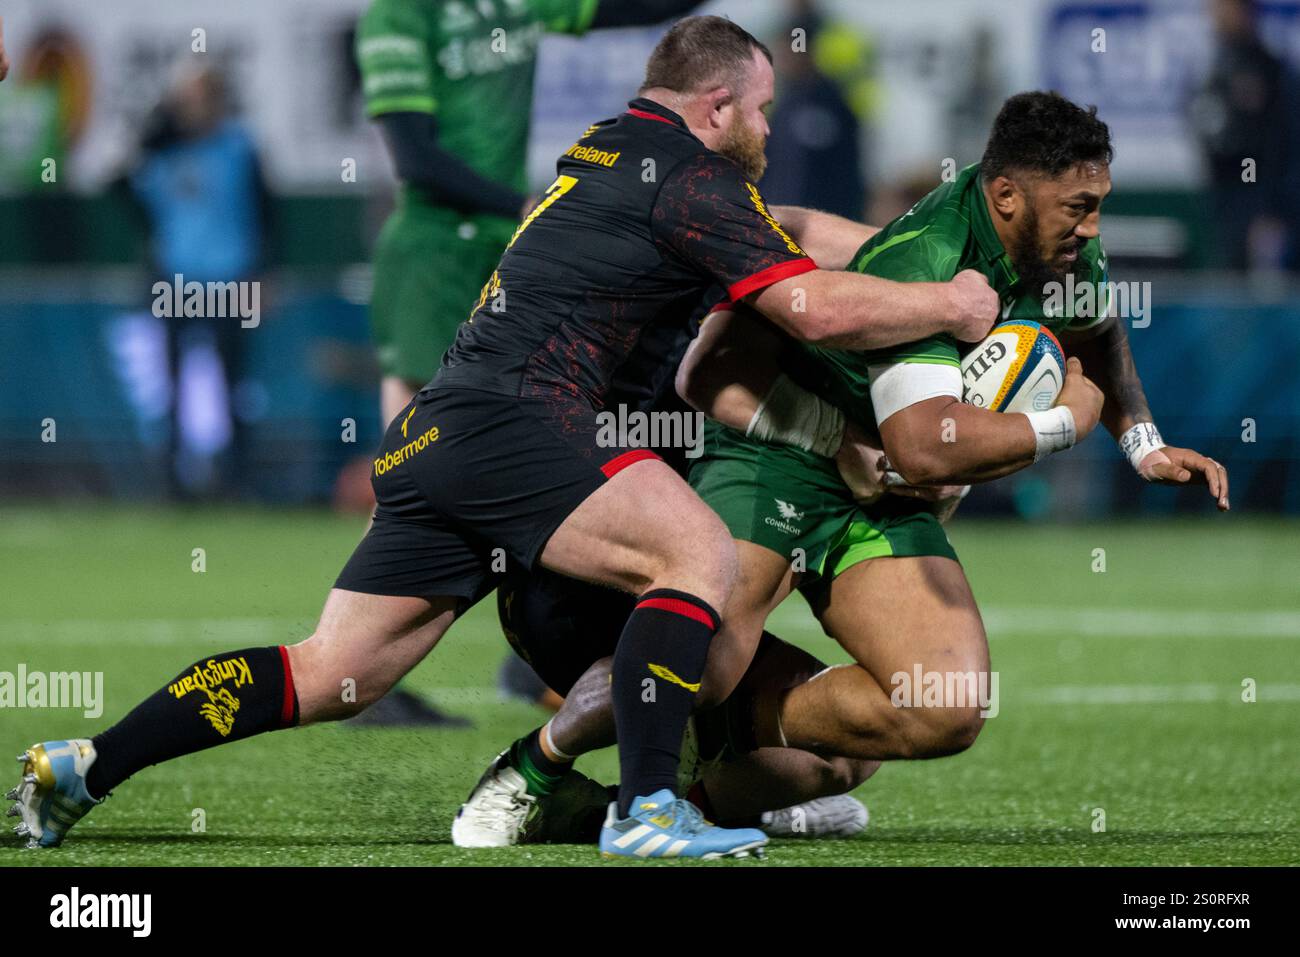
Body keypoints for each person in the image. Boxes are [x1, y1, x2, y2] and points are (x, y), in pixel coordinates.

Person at [10, 16, 996, 861]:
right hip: (525, 419)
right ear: (716, 108)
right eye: (764, 109)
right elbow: (812, 309)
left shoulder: (614, 151)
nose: (771, 129)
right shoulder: (691, 173)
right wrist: (949, 301)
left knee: (327, 671)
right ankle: (649, 809)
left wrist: (902, 247)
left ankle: (89, 765)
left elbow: (784, 229)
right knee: (695, 553)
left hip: (442, 432)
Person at [455, 91, 1231, 846]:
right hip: (783, 458)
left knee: (946, 705)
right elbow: (926, 449)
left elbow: (1098, 328)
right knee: (707, 657)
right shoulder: (927, 256)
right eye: (1078, 208)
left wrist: (1143, 441)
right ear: (1005, 196)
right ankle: (534, 765)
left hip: (878, 484)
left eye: (1096, 203)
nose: (1092, 227)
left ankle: (709, 774)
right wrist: (1069, 420)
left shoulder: (1058, 239)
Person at [353, 0, 704, 725]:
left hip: (507, 251)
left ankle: (539, 648)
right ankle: (359, 672)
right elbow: (414, 157)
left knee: (546, 443)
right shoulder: (397, 15)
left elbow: (639, 10)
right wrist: (525, 201)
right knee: (414, 463)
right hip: (433, 253)